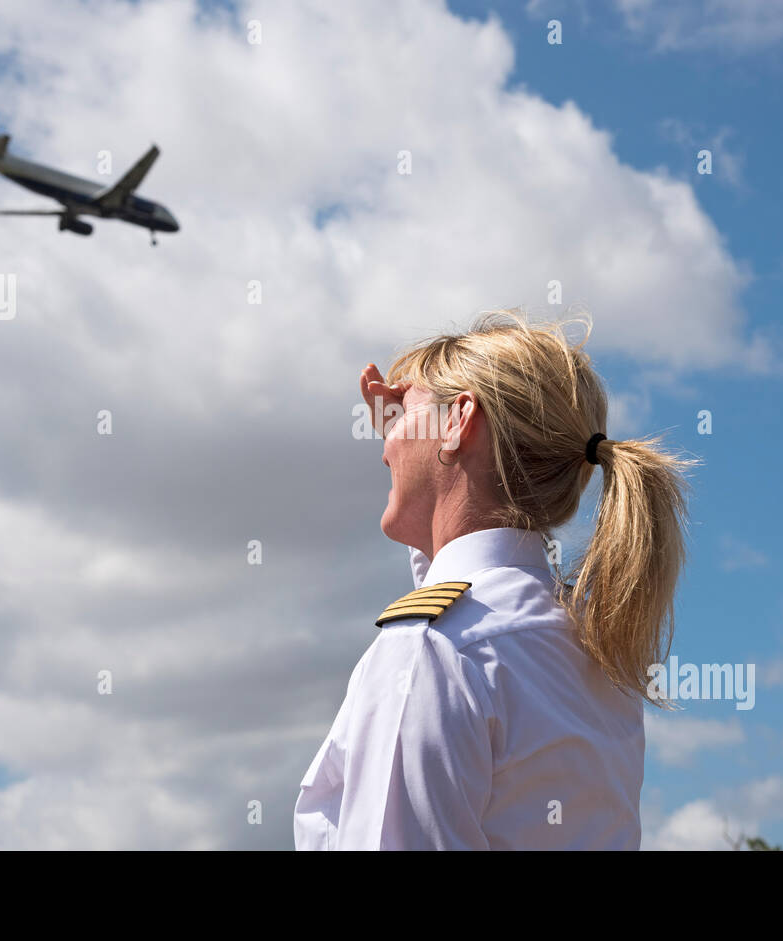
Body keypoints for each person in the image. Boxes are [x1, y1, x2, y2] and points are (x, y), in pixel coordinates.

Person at [293, 310, 696, 850]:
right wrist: (417, 443)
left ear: (459, 420)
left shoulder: (433, 650)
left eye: (401, 415)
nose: (385, 442)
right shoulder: (584, 646)